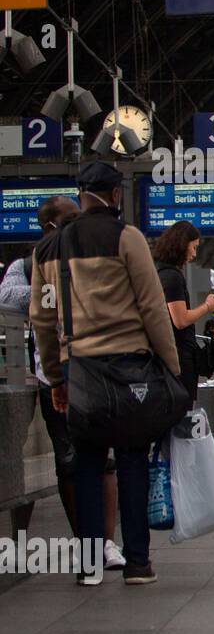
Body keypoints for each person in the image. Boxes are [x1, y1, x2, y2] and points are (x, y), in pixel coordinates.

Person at [29, 161, 180, 586]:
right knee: (131, 460)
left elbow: (42, 319)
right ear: (115, 195)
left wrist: (56, 379)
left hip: (81, 370)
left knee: (87, 465)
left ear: (80, 194)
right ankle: (137, 563)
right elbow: (152, 307)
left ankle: (90, 564)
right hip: (130, 368)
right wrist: (171, 365)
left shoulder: (47, 250)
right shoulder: (126, 237)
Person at [0, 196, 124, 567]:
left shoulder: (94, 254)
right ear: (49, 225)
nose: (78, 223)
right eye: (70, 218)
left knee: (105, 458)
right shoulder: (27, 263)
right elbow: (5, 297)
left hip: (99, 369)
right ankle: (84, 542)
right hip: (50, 374)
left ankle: (106, 542)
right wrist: (55, 291)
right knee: (68, 459)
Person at [152, 220, 214, 403]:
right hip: (179, 358)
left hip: (168, 356)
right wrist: (207, 306)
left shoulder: (159, 273)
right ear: (182, 245)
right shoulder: (172, 277)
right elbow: (181, 320)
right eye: (193, 247)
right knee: (181, 414)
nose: (194, 254)